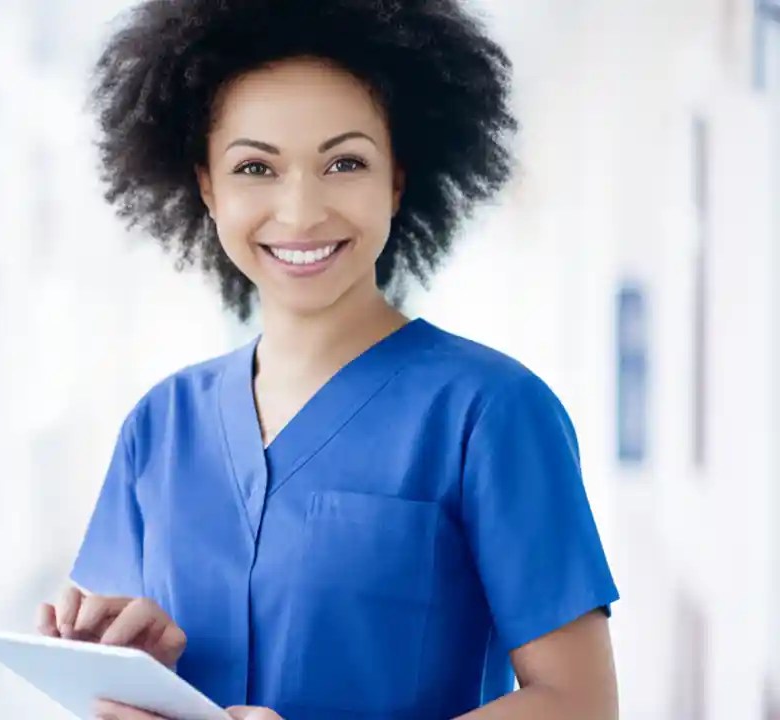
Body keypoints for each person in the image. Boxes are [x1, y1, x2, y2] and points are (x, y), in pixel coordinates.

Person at [36, 1, 620, 718]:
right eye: (256, 167)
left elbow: (578, 703)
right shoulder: (161, 424)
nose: (302, 211)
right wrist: (134, 670)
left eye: (344, 162)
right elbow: (116, 685)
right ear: (208, 188)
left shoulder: (490, 411)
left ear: (398, 179)